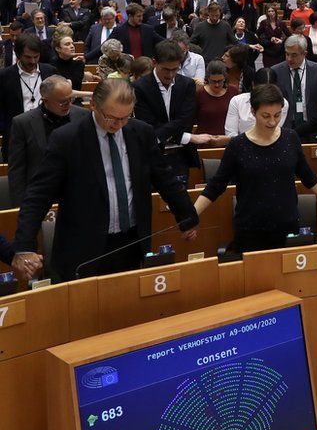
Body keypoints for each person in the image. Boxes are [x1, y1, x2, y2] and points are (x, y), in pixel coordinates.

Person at [10, 79, 199, 282]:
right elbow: (39, 194)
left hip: (131, 241)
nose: (118, 125)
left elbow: (165, 178)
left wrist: (187, 217)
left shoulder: (141, 132)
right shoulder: (67, 138)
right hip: (83, 246)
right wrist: (24, 246)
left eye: (125, 117)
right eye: (112, 118)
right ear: (93, 106)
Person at [194, 83, 317, 254]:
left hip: (287, 227)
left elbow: (308, 177)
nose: (272, 122)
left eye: (277, 115)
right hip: (250, 232)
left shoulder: (290, 138)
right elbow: (216, 185)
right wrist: (192, 214)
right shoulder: (238, 145)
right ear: (253, 112)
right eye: (266, 116)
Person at [133, 40, 213, 182]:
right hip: (152, 155)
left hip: (180, 157)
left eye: (175, 69)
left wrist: (161, 134)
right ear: (154, 62)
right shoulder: (140, 87)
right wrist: (187, 137)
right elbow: (147, 125)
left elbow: (185, 121)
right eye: (166, 69)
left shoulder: (187, 84)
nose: (170, 75)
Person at [7, 76, 88, 206]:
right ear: (45, 100)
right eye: (63, 102)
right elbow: (17, 170)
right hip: (42, 197)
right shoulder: (23, 123)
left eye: (70, 99)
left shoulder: (83, 116)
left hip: (78, 195)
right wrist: (20, 208)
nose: (69, 105)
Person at [0, 34, 58, 161]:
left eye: (36, 57)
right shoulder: (4, 76)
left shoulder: (50, 71)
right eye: (28, 57)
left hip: (48, 133)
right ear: (18, 54)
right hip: (17, 136)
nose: (32, 61)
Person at [272, 34, 317, 129]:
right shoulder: (276, 71)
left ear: (304, 54)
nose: (289, 59)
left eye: (294, 55)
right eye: (287, 54)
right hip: (284, 128)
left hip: (310, 127)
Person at [225, 68, 289, 136]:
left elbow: (274, 130)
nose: (266, 94)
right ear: (253, 85)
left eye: (276, 115)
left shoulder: (283, 103)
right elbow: (231, 133)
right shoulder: (237, 101)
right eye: (265, 116)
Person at [194, 60, 238, 144]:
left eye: (220, 81)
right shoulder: (199, 93)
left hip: (227, 141)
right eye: (213, 81)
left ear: (225, 78)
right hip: (205, 142)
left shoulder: (233, 91)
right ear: (207, 78)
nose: (217, 85)